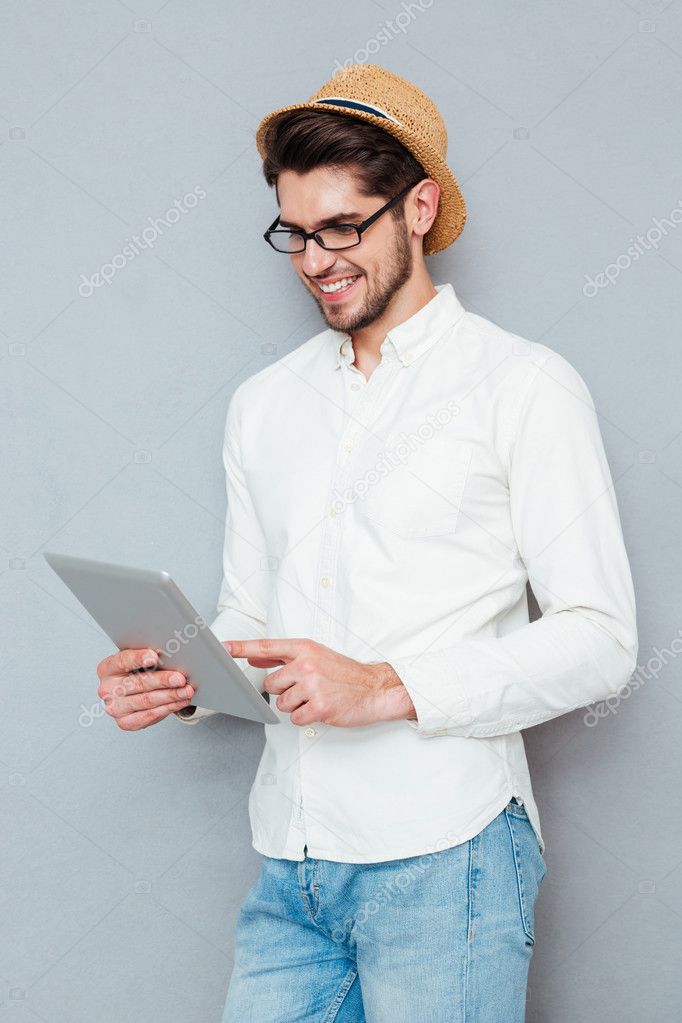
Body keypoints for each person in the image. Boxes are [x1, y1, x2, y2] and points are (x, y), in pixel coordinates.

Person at [96, 64, 638, 1022]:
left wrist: (385, 684)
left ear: (418, 207)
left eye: (342, 227)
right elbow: (254, 618)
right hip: (290, 862)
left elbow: (601, 640)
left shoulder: (523, 387)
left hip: (450, 853)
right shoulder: (264, 407)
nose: (315, 260)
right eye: (295, 234)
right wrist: (184, 671)